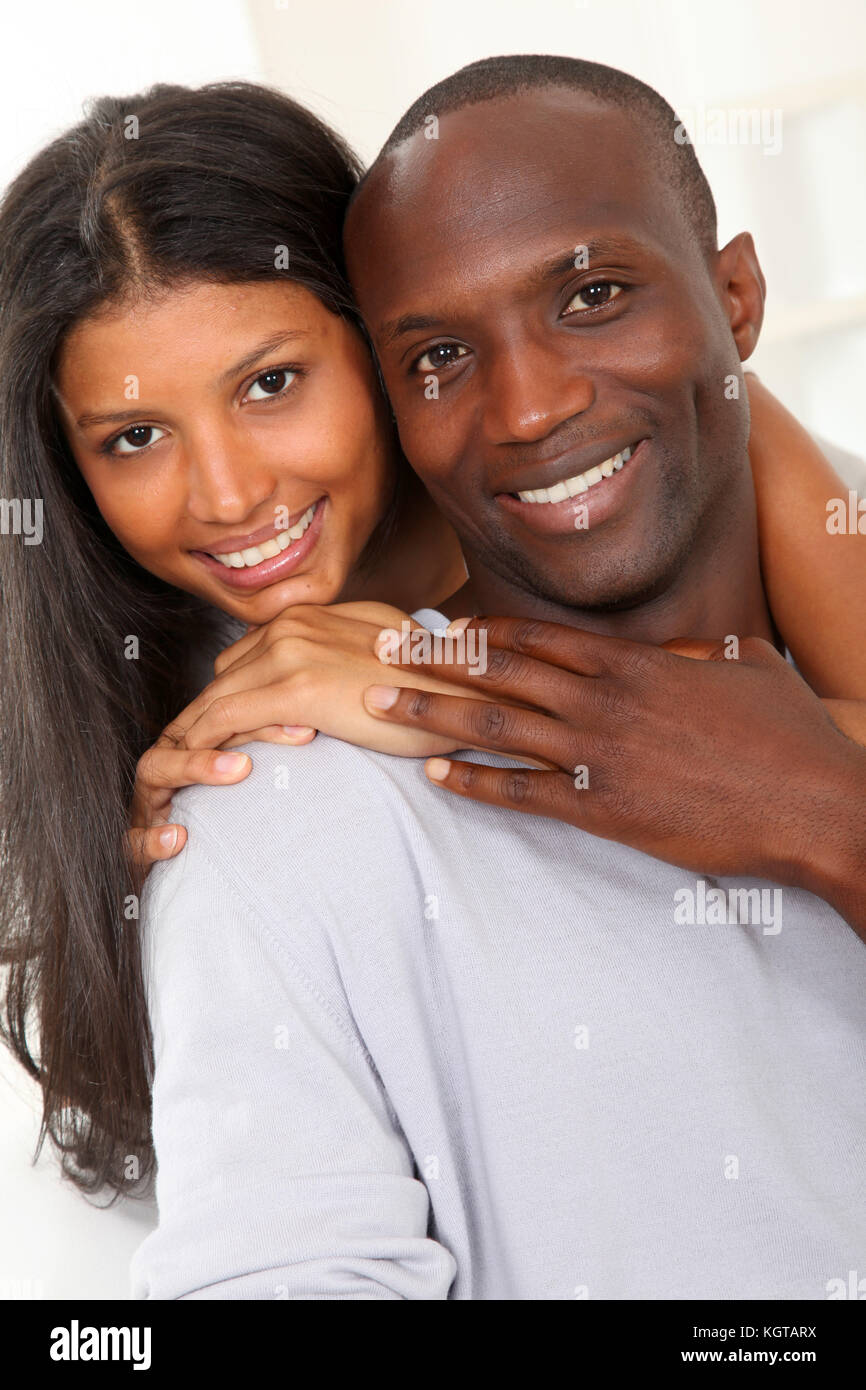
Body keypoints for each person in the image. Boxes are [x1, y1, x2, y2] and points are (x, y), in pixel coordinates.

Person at [128, 56, 866, 1299]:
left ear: (735, 294)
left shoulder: (823, 529)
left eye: (591, 294)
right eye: (439, 356)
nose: (526, 407)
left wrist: (817, 806)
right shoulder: (276, 804)